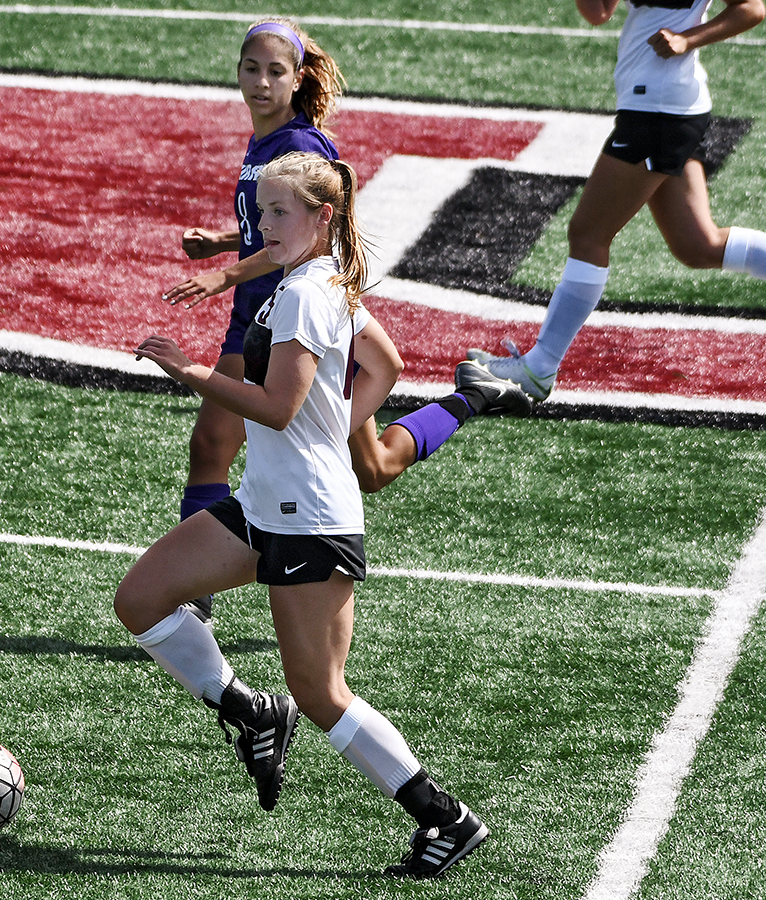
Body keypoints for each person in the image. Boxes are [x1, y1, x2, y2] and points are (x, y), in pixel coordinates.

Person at [121, 152, 488, 878]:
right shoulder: (323, 283)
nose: (265, 226)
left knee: (320, 692)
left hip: (309, 519)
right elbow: (386, 367)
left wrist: (185, 369)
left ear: (323, 218)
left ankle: (445, 820)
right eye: (260, 213)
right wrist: (333, 426)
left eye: (280, 212)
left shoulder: (302, 294)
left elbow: (280, 407)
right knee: (141, 598)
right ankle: (251, 713)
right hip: (266, 503)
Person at [161, 19, 526, 620]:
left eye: (275, 71)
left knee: (367, 466)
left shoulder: (298, 146)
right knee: (230, 449)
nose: (259, 82)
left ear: (298, 77)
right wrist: (227, 242)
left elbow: (313, 233)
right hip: (261, 318)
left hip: (301, 330)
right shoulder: (264, 140)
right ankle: (192, 597)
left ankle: (471, 399)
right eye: (250, 69)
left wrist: (226, 273)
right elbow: (276, 225)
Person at [464, 0, 766, 400]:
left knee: (589, 233)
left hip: (657, 108)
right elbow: (598, 12)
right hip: (661, 105)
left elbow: (752, 7)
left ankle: (539, 368)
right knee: (698, 244)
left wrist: (687, 38)